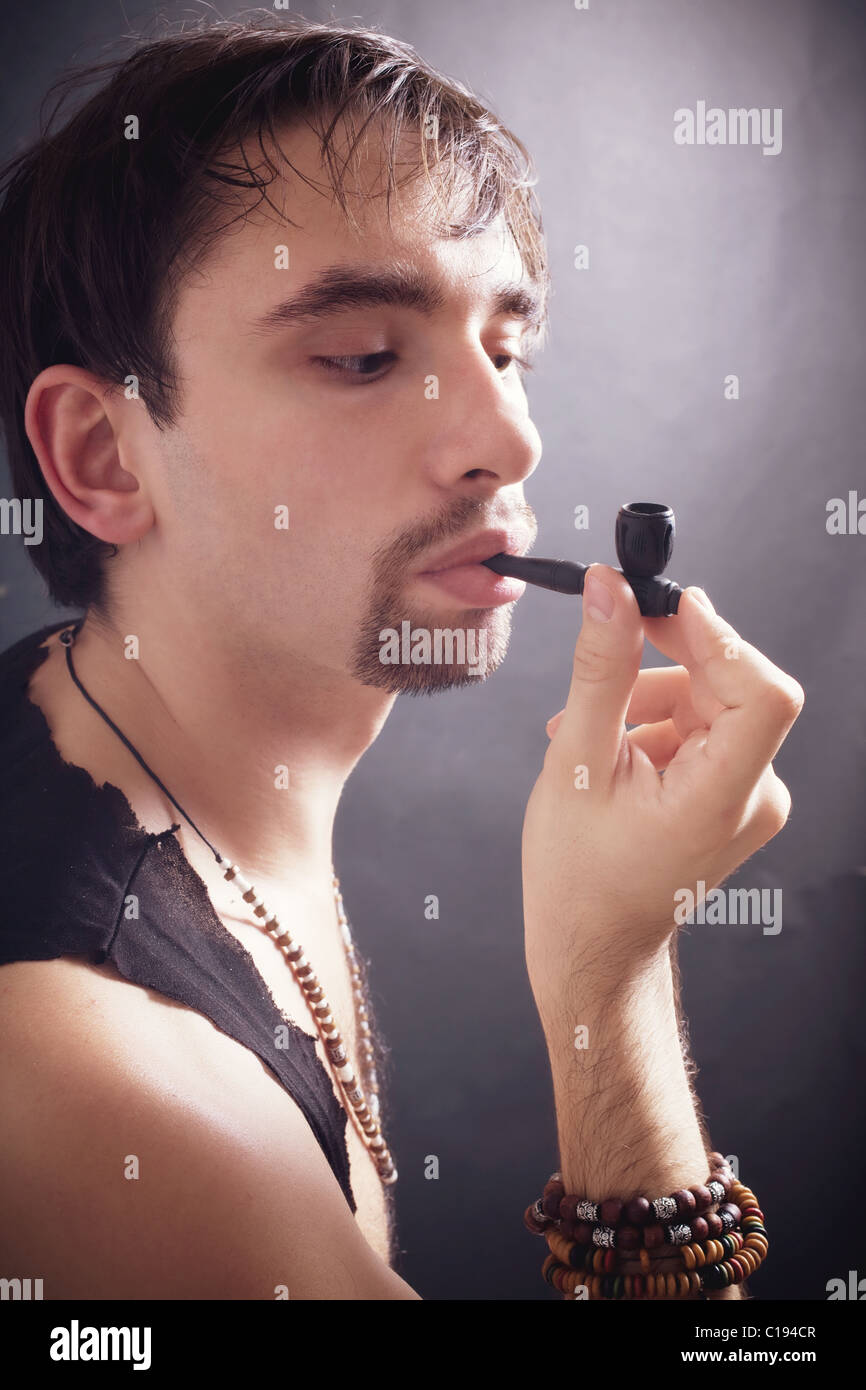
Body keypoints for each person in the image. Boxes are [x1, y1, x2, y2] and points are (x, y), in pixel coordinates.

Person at [0, 16, 802, 1300]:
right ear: (103, 455)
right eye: (364, 357)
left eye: (504, 349)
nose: (507, 437)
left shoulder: (84, 710)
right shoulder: (111, 1092)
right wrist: (611, 970)